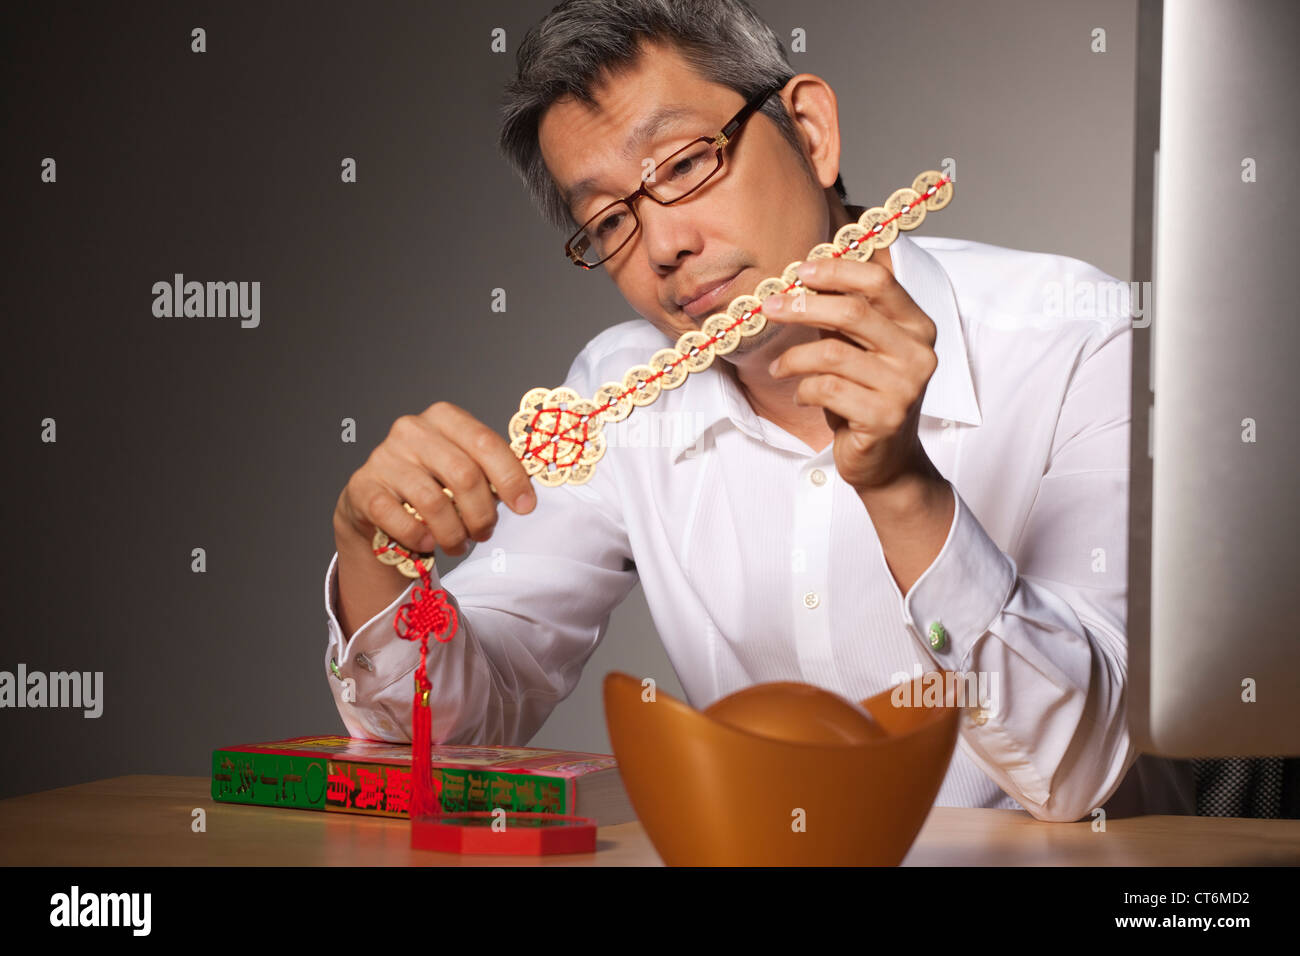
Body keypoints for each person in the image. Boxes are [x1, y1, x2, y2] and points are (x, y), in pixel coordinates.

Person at [324, 0, 1193, 822]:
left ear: (809, 133)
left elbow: (1083, 765)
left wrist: (901, 490)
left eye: (686, 164)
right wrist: (376, 563)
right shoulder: (619, 393)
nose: (666, 246)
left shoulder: (1076, 334)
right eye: (610, 221)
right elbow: (445, 736)